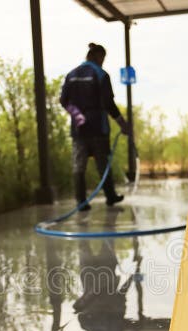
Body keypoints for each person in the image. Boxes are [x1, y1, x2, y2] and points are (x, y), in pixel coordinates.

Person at [60, 43, 129, 210]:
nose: (103, 62)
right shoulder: (101, 74)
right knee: (102, 163)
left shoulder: (71, 75)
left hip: (79, 128)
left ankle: (81, 202)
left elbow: (63, 100)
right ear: (98, 57)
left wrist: (77, 115)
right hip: (98, 127)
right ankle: (110, 197)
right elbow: (108, 103)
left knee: (79, 164)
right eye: (103, 58)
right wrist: (122, 123)